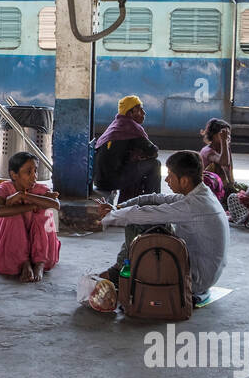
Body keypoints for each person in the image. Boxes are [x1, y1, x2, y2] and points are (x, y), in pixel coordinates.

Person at [96, 150, 229, 306]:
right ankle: (120, 270)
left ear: (184, 181)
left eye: (170, 176)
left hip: (195, 280)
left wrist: (110, 217)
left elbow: (141, 214)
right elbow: (154, 199)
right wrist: (118, 207)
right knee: (147, 212)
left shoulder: (193, 206)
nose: (167, 180)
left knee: (140, 222)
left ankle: (118, 272)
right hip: (203, 273)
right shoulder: (199, 195)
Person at [0, 151, 61, 281]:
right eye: (29, 172)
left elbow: (56, 206)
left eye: (35, 171)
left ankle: (40, 262)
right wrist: (32, 205)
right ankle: (24, 262)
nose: (34, 176)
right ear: (14, 175)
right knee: (12, 213)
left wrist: (24, 196)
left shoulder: (40, 188)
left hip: (38, 241)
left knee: (46, 213)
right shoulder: (4, 189)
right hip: (10, 240)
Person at [93, 95, 160, 204]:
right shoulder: (131, 127)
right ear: (130, 114)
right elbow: (153, 151)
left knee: (136, 164)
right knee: (155, 164)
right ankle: (153, 202)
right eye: (139, 110)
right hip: (113, 181)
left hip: (101, 181)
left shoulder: (117, 125)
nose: (144, 113)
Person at [199, 118, 235, 205]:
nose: (228, 137)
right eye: (224, 135)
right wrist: (224, 141)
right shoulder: (207, 151)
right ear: (214, 135)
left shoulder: (225, 148)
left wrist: (232, 185)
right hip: (209, 190)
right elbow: (224, 162)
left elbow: (229, 169)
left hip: (224, 187)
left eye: (228, 134)